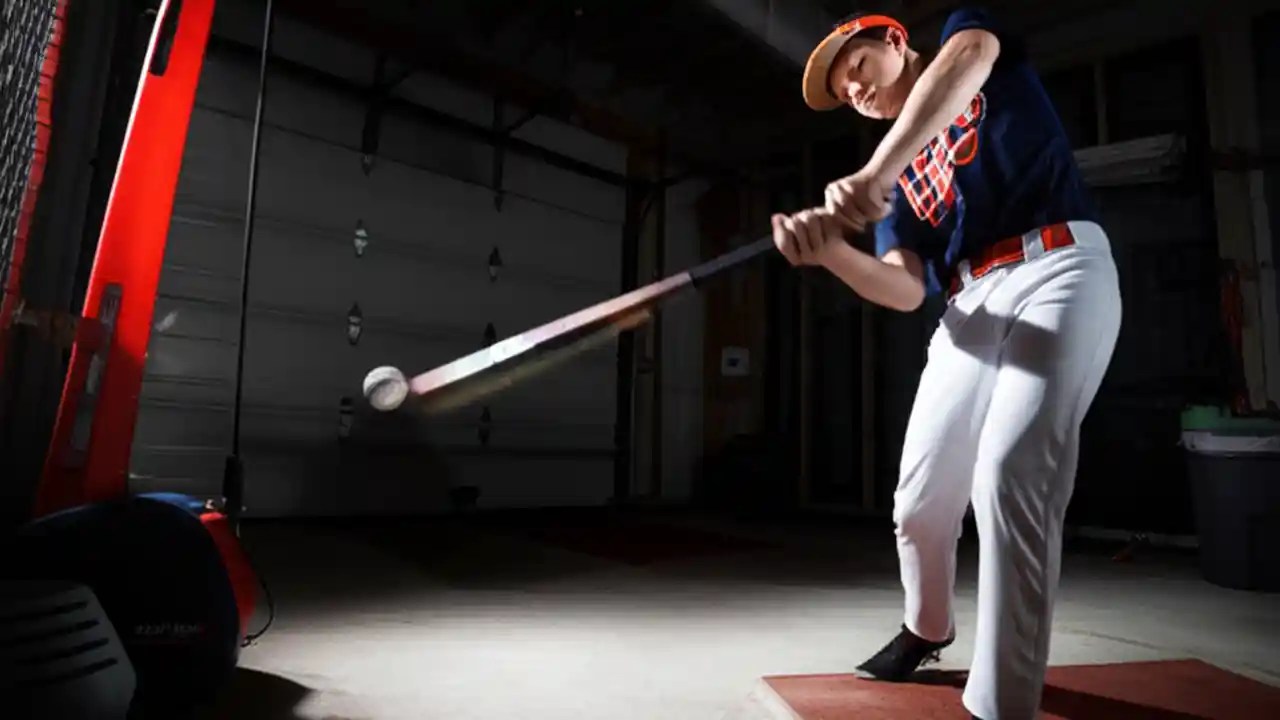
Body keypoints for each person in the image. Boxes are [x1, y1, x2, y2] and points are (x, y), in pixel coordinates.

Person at [770, 7, 1122, 720]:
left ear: (895, 41)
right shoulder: (894, 193)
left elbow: (970, 53)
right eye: (845, 94)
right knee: (920, 502)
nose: (856, 93)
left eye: (859, 68)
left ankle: (1000, 705)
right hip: (967, 306)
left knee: (1011, 472)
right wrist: (829, 252)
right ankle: (926, 628)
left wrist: (877, 166)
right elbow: (902, 290)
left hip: (1058, 267)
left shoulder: (969, 41)